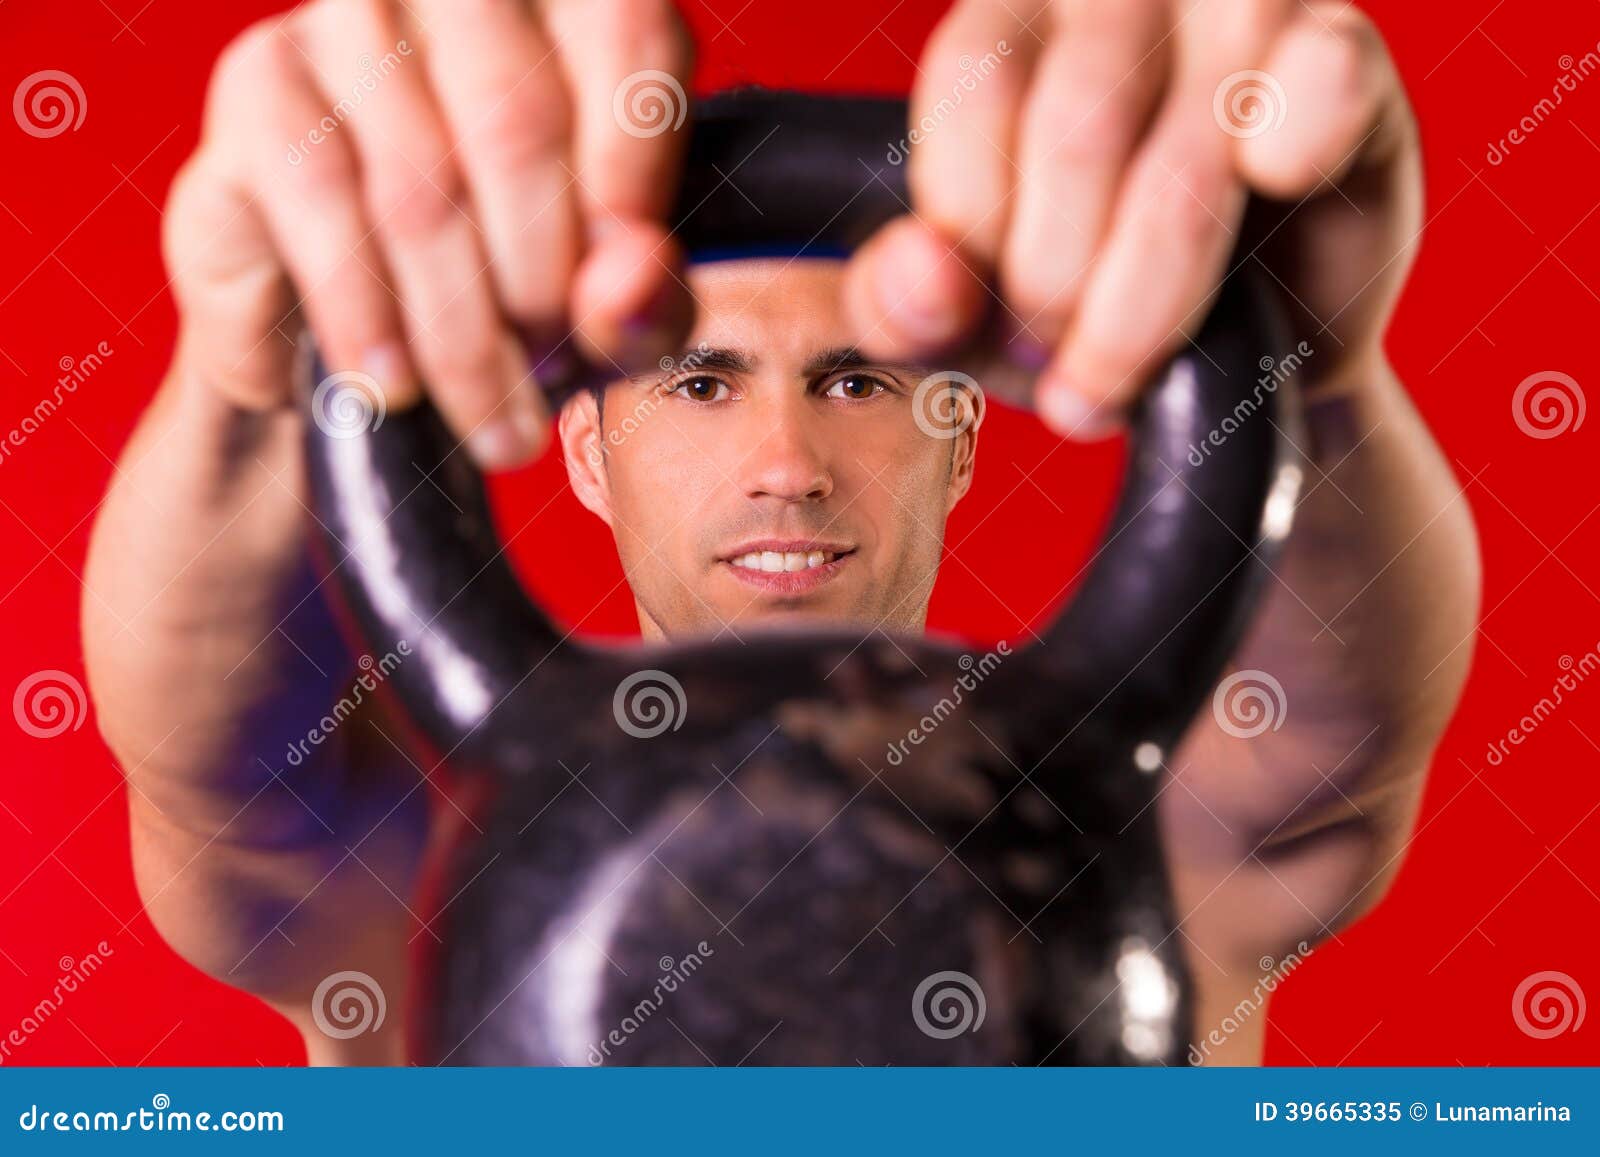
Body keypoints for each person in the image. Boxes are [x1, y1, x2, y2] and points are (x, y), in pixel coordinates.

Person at [81, 0, 1479, 1066]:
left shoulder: (1108, 821)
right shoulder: (448, 851)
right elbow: (244, 796)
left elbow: (1308, 773)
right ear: (584, 448)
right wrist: (267, 382)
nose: (787, 463)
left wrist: (1309, 376)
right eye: (701, 382)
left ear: (963, 439)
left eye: (856, 382)